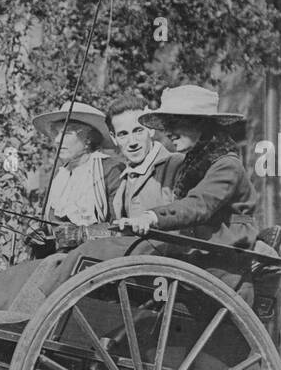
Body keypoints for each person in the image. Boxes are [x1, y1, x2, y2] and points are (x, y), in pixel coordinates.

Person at [116, 84, 259, 250]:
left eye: (174, 124)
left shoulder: (226, 165)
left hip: (226, 251)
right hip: (201, 248)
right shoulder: (193, 164)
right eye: (166, 126)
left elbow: (198, 205)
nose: (168, 133)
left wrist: (152, 217)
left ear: (200, 124)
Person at [31, 100, 121, 231]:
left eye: (66, 133)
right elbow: (51, 228)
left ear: (88, 138)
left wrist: (81, 235)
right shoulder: (60, 176)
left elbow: (118, 229)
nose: (57, 140)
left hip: (98, 249)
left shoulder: (110, 170)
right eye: (56, 133)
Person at [104, 92, 179, 221]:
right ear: (113, 138)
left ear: (151, 129)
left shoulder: (175, 165)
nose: (132, 142)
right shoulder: (123, 175)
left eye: (138, 131)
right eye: (123, 134)